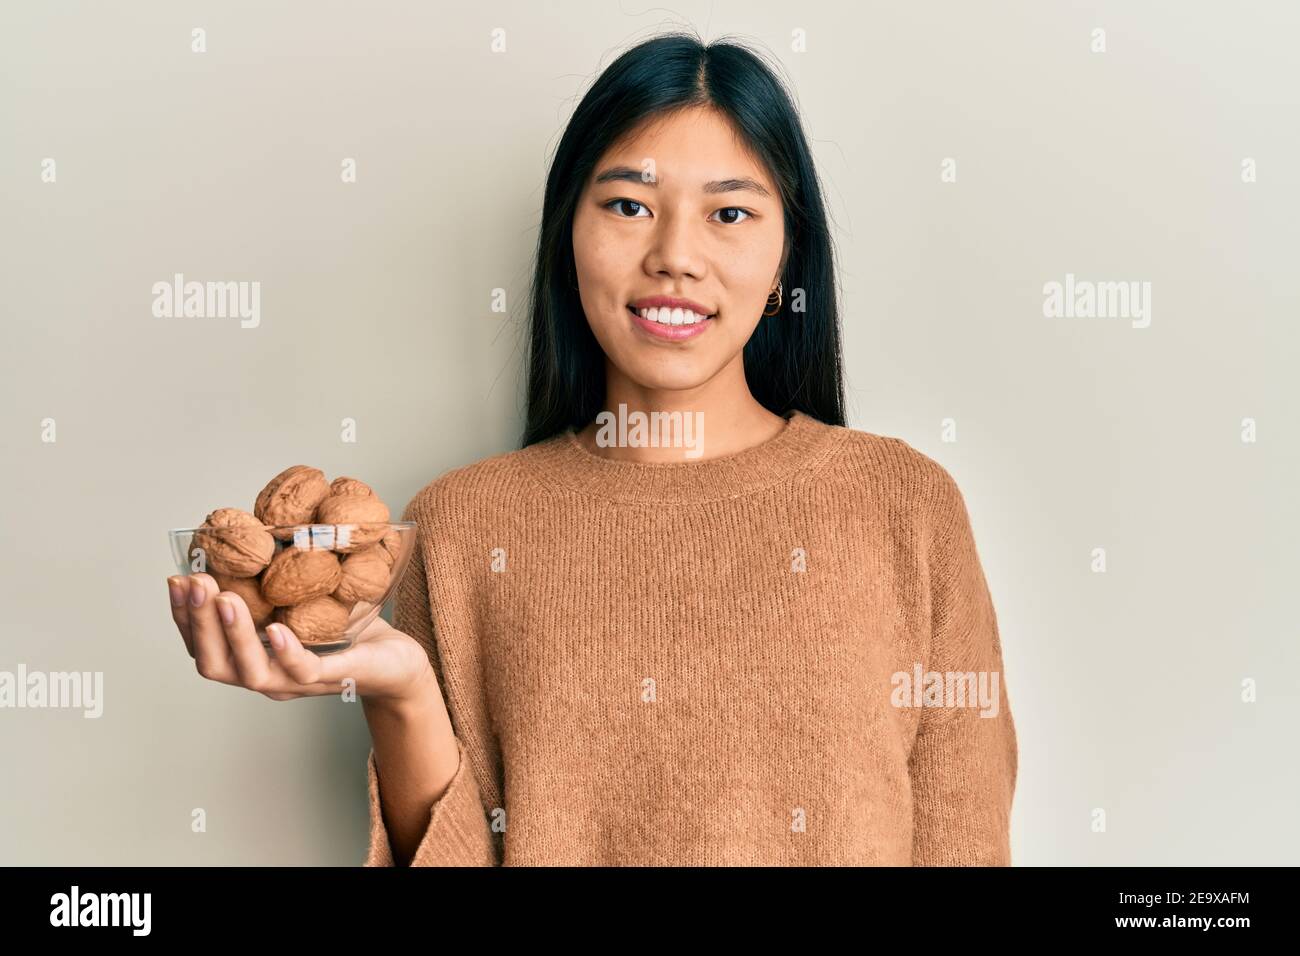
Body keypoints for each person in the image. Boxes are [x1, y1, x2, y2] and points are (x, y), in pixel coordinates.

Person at [166, 31, 1017, 866]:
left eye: (730, 213)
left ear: (785, 253)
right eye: (628, 206)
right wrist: (400, 693)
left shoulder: (904, 502)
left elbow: (966, 841)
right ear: (567, 235)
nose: (676, 256)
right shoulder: (462, 526)